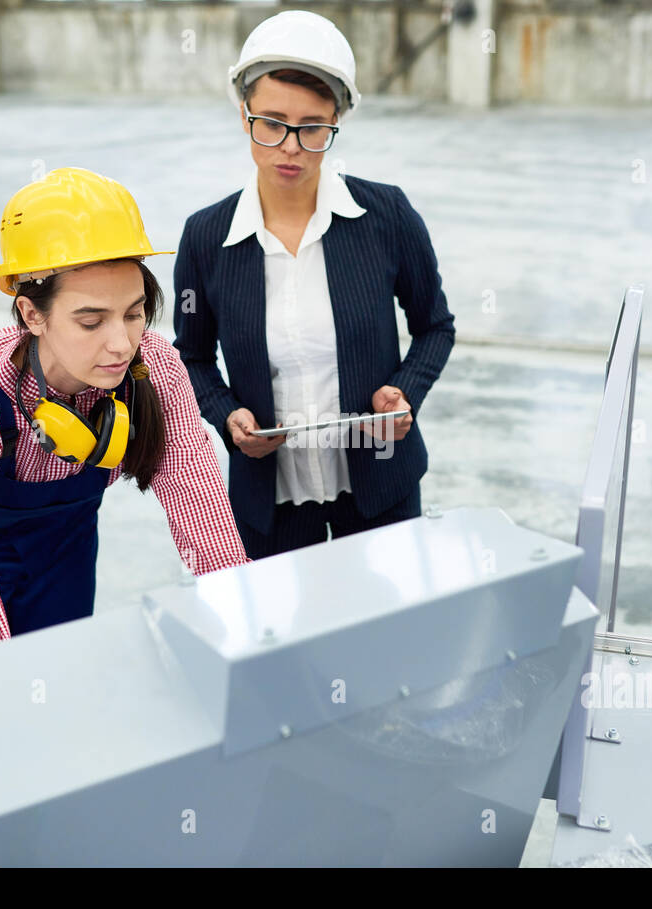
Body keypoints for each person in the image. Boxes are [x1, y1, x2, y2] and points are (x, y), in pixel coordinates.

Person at [0, 167, 248, 665]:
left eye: (135, 313)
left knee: (58, 682)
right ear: (33, 315)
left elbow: (199, 504)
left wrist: (244, 619)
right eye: (91, 320)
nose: (122, 344)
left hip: (62, 540)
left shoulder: (156, 368)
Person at [173, 9, 456, 560]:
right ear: (244, 115)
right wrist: (228, 415)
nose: (291, 147)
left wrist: (404, 394)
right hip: (268, 501)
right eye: (272, 122)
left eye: (313, 128)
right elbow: (193, 357)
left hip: (379, 489)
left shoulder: (386, 215)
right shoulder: (206, 236)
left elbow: (434, 327)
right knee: (282, 638)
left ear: (336, 125)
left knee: (384, 635)